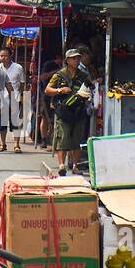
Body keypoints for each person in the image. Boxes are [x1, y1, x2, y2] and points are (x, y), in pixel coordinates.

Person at [45, 48, 93, 176]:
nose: (76, 60)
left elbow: (90, 88)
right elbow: (47, 90)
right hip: (63, 111)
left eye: (78, 58)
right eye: (73, 58)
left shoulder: (83, 75)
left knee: (76, 140)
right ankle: (62, 165)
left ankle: (76, 166)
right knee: (63, 138)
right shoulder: (59, 75)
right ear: (67, 60)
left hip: (79, 111)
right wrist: (60, 90)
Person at [0, 47, 26, 154]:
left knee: (16, 123)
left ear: (10, 56)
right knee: (2, 123)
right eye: (1, 56)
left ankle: (16, 145)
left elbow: (22, 83)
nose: (3, 58)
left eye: (5, 55)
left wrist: (21, 96)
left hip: (15, 98)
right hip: (1, 99)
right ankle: (3, 143)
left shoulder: (18, 67)